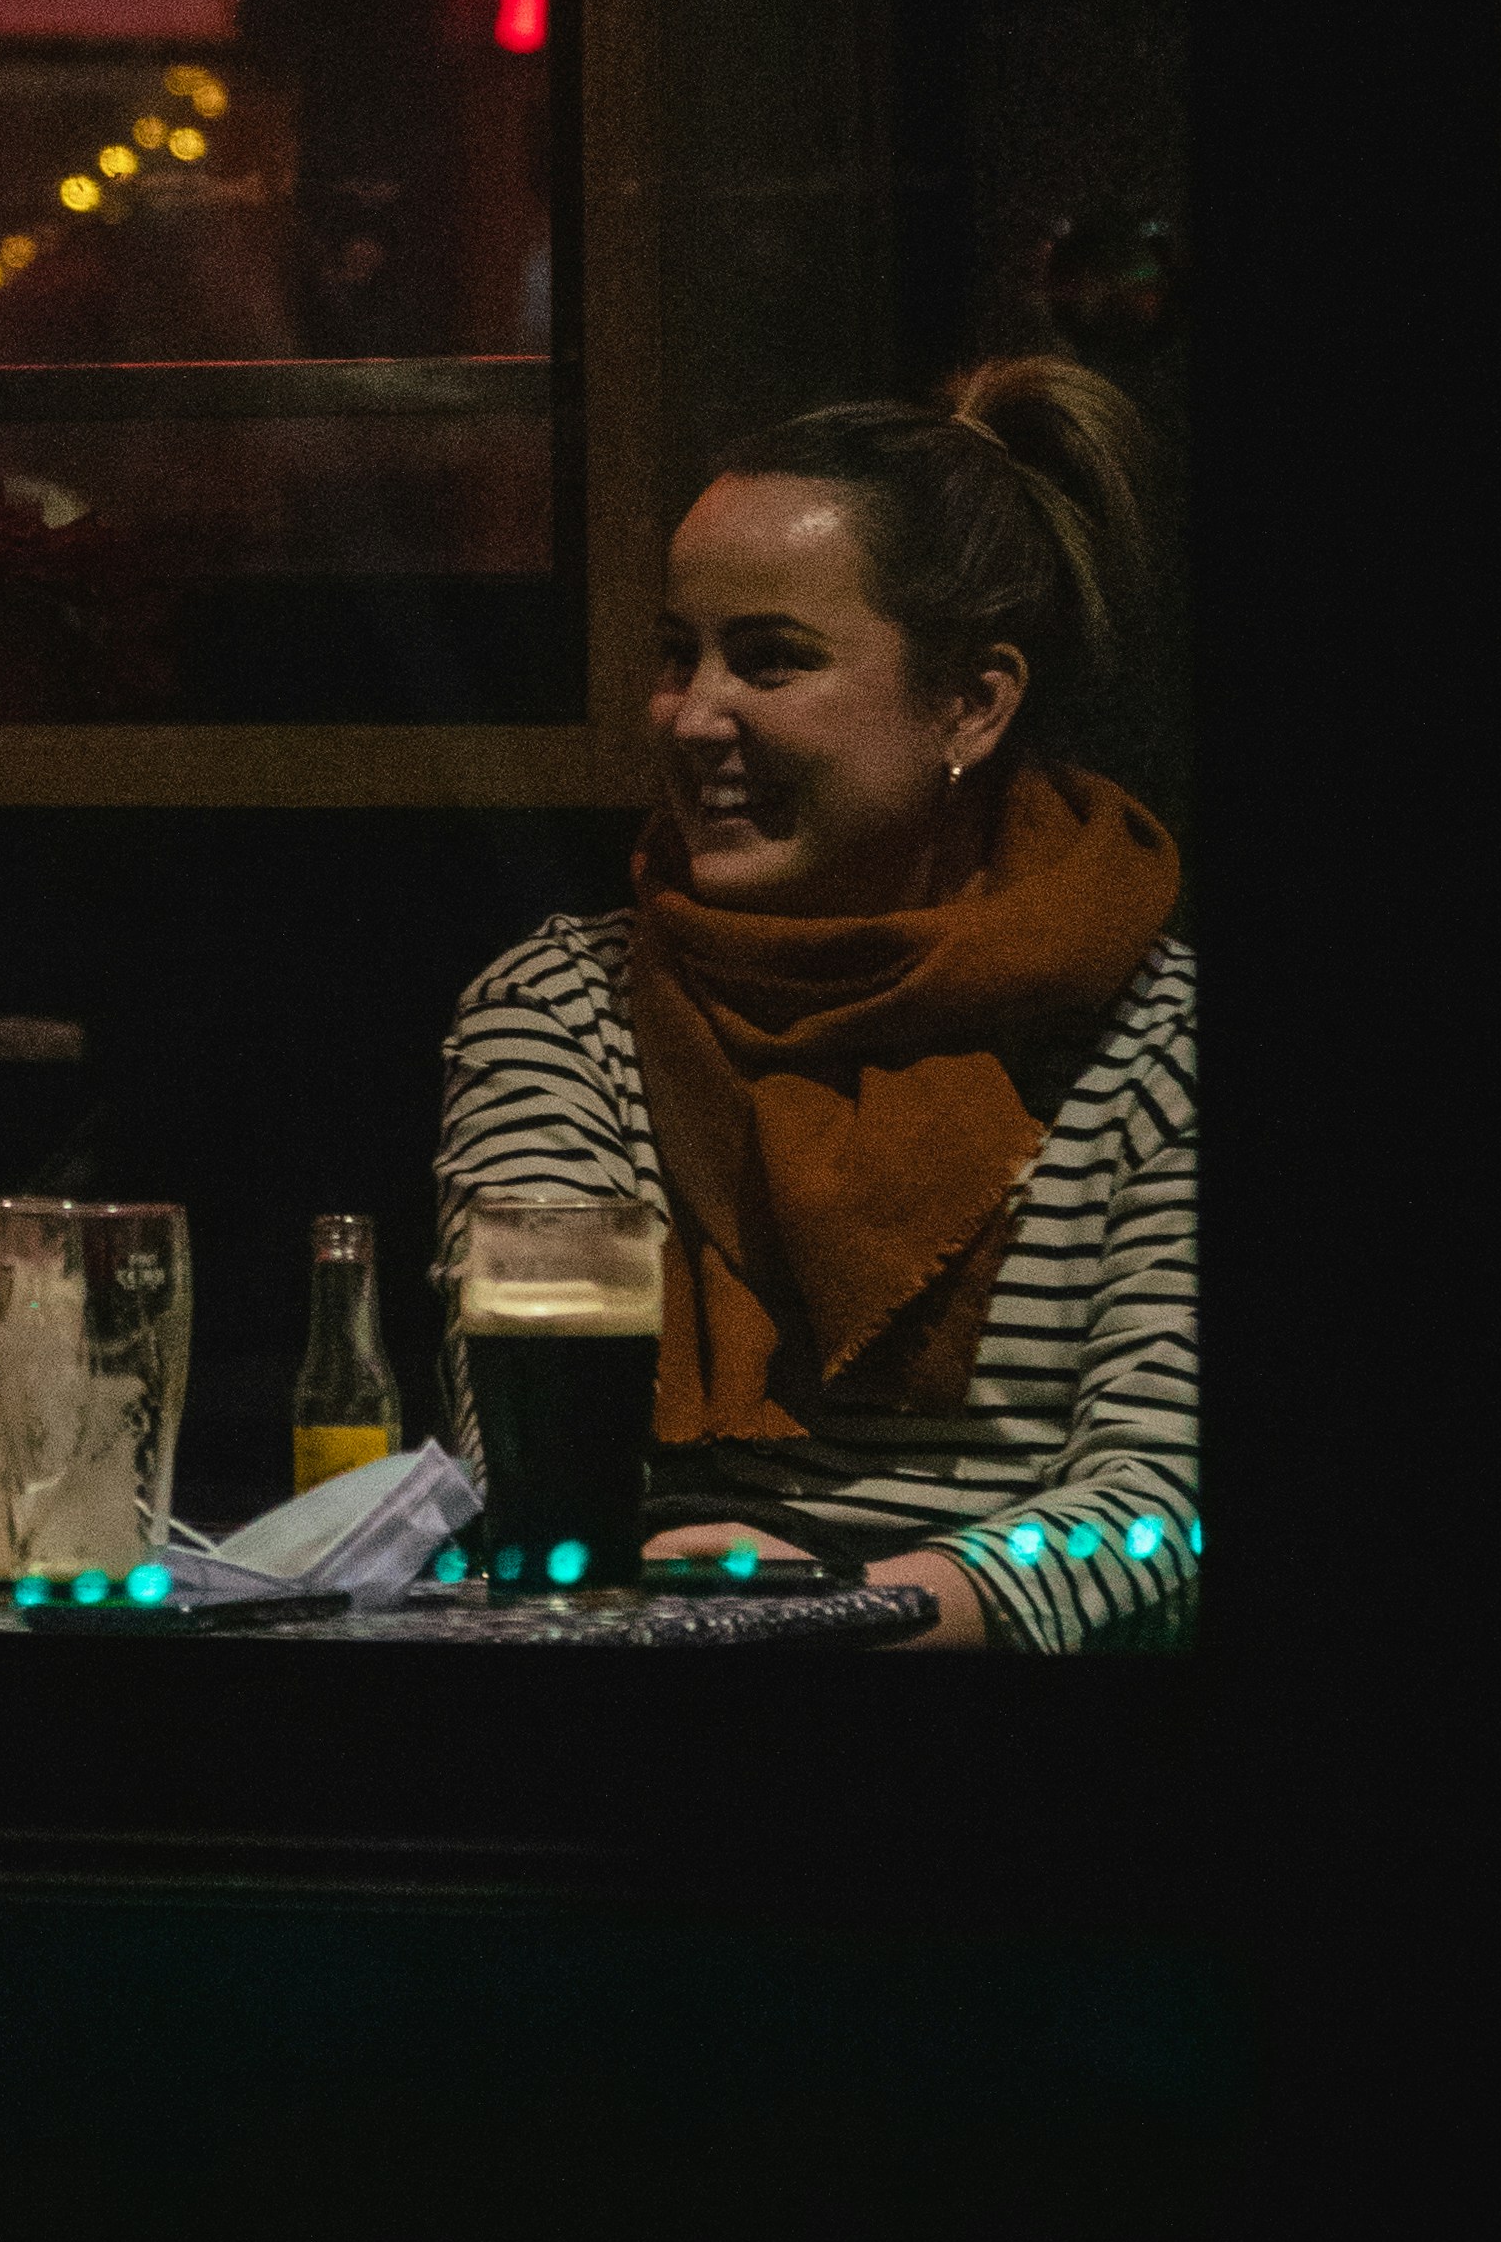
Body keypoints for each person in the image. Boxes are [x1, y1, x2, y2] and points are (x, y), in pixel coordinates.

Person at [435, 368, 1195, 1640]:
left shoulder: (1153, 1036)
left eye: (772, 661)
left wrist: (863, 1609)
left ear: (971, 702)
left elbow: (1171, 1501)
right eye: (678, 657)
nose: (696, 716)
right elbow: (526, 1459)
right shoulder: (565, 1010)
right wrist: (705, 1603)